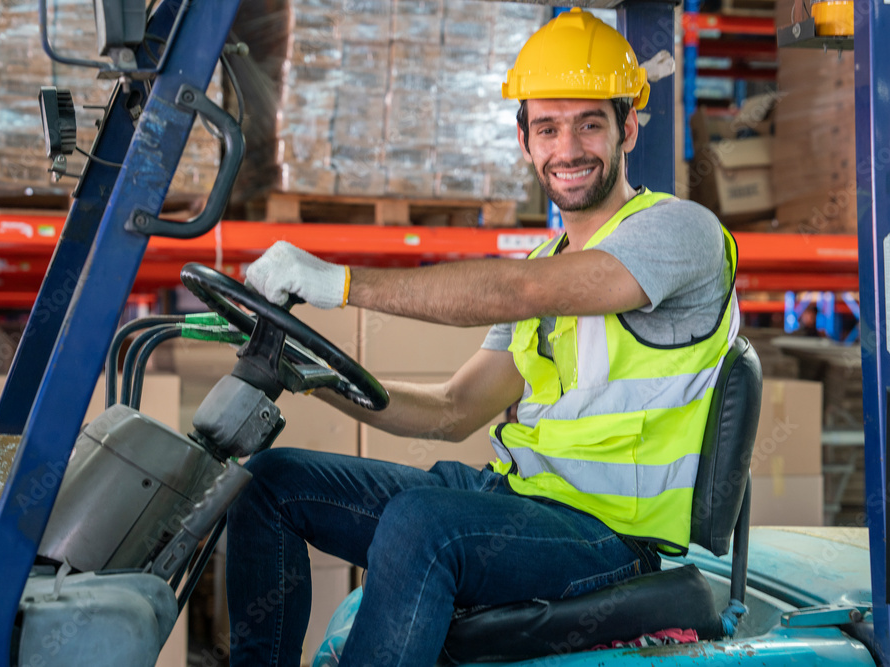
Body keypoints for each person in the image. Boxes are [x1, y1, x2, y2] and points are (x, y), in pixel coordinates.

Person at [225, 8, 739, 666]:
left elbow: (516, 293)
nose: (569, 148)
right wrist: (319, 376)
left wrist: (341, 282)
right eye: (548, 128)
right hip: (520, 501)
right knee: (270, 483)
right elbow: (451, 410)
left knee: (422, 527)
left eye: (590, 124)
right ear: (525, 141)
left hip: (611, 533)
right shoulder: (541, 266)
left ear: (628, 127)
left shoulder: (678, 232)